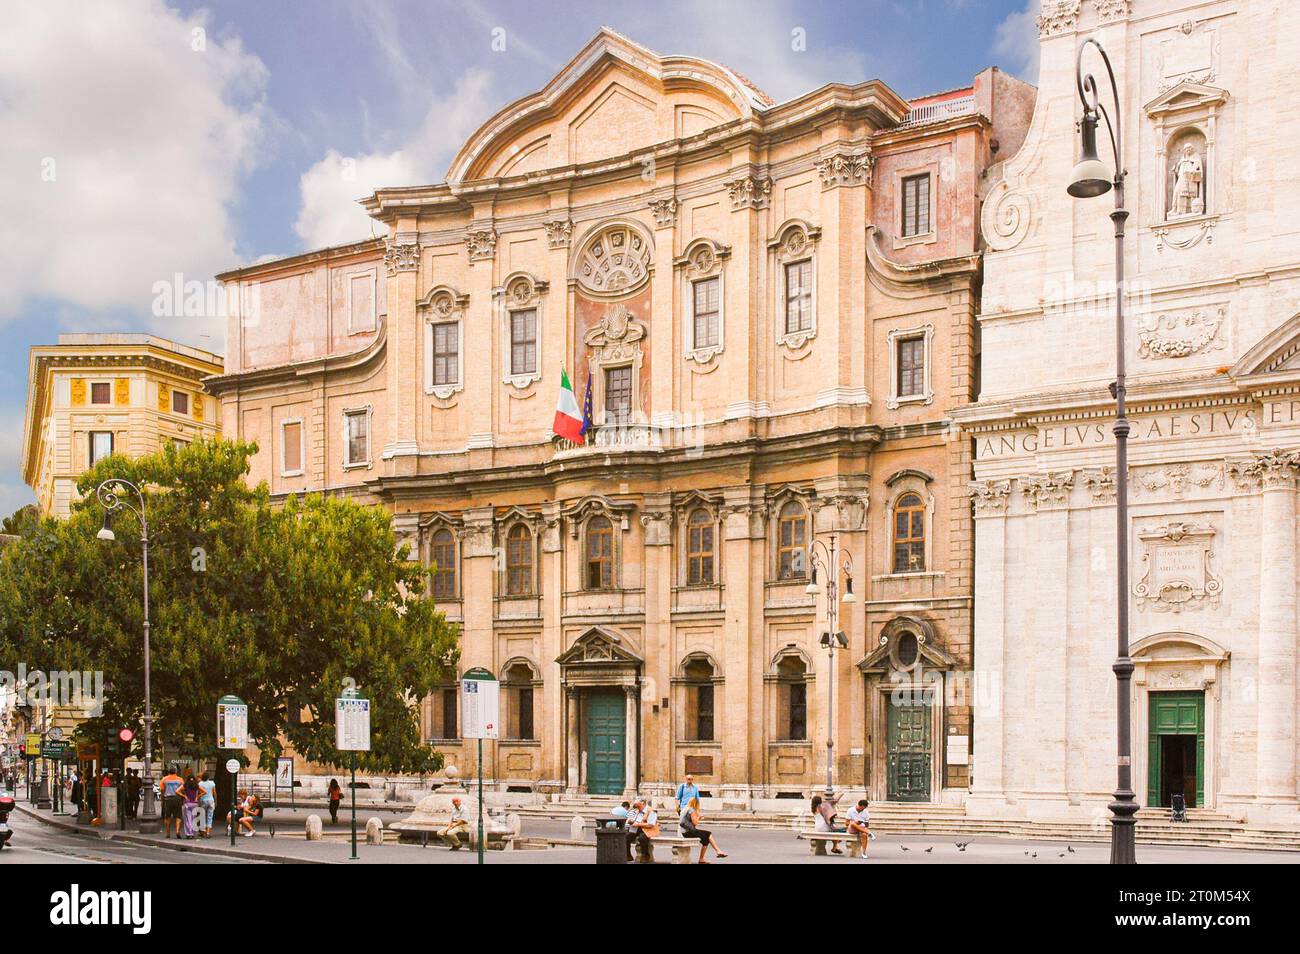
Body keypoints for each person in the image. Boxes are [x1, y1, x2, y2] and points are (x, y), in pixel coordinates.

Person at [679, 797, 727, 864]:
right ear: (696, 803)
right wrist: (698, 817)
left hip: (686, 832)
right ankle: (716, 851)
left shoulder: (686, 808)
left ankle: (705, 857)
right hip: (689, 832)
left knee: (706, 839)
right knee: (708, 835)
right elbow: (695, 823)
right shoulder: (691, 810)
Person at [158, 766, 185, 838]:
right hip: (177, 798)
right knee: (178, 816)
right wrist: (182, 798)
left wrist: (162, 799)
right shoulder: (180, 779)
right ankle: (177, 830)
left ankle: (168, 832)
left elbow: (162, 790)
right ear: (176, 771)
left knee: (167, 816)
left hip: (168, 799)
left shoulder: (164, 779)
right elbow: (183, 790)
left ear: (169, 771)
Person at [198, 772, 216, 838]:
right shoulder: (212, 783)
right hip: (211, 800)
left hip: (203, 800)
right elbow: (214, 792)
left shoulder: (200, 783)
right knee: (210, 817)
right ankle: (208, 832)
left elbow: (199, 792)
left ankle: (204, 831)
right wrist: (215, 801)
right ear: (208, 777)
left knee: (202, 816)